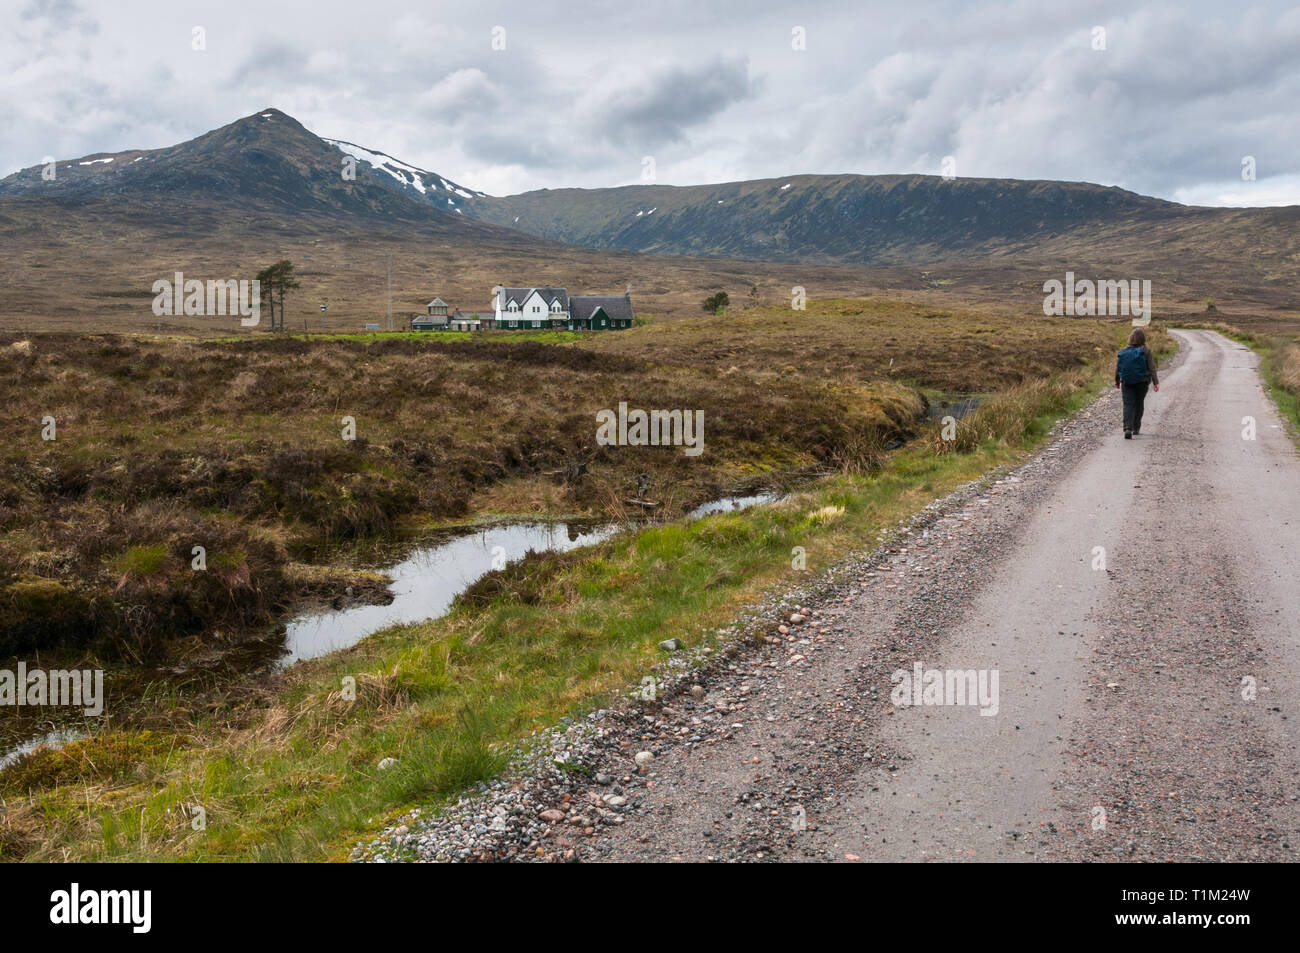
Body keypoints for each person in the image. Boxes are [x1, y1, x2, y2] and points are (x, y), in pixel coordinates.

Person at [1115, 328, 1159, 438]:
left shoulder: (1124, 351)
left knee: (1128, 404)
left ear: (1131, 338)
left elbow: (1118, 367)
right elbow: (1151, 367)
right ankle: (1136, 428)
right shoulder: (1146, 351)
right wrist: (1155, 382)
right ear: (1143, 338)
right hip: (1142, 382)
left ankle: (1127, 428)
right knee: (1139, 404)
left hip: (1127, 382)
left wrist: (1117, 380)